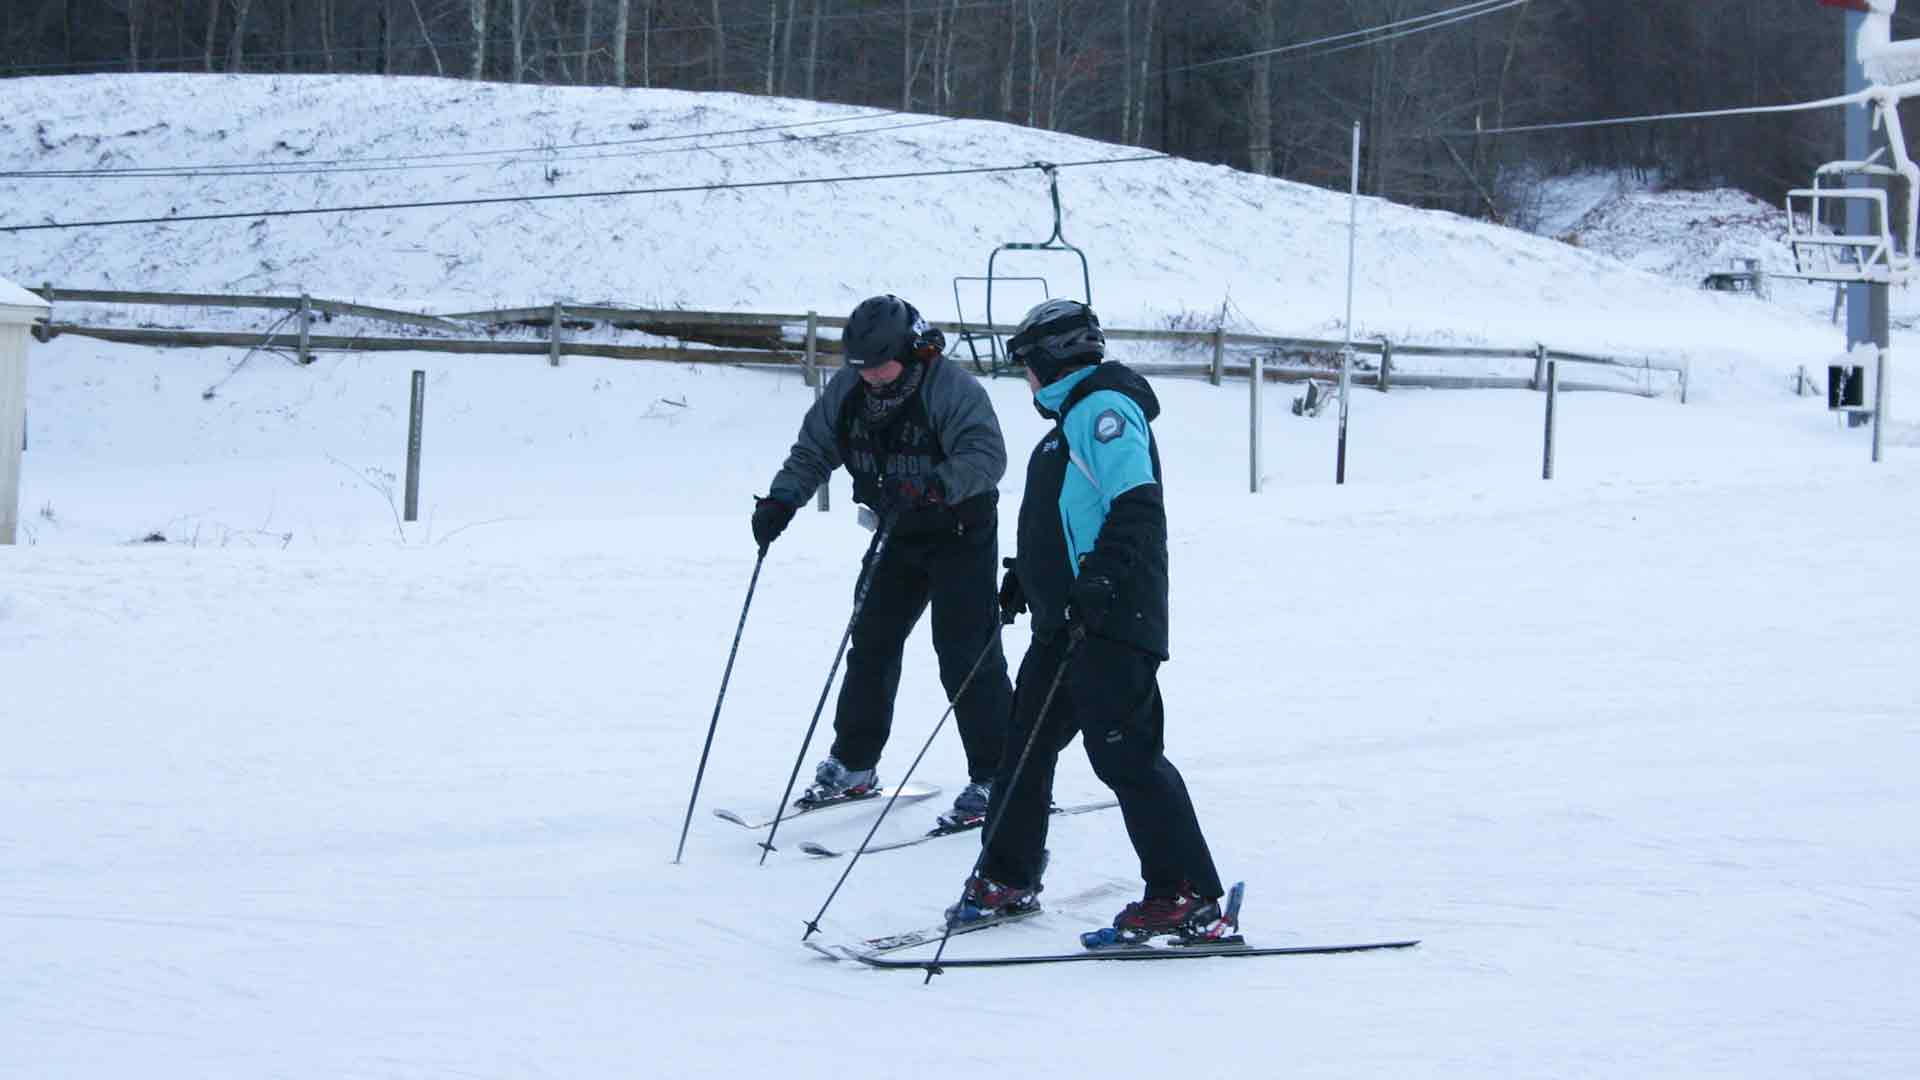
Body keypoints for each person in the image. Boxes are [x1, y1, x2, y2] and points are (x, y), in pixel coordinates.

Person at [947, 298, 1232, 944]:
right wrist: (1031, 574)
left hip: (1111, 618)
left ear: (1053, 358)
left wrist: (1100, 579)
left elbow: (1135, 504)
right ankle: (1008, 874)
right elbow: (1074, 514)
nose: (1025, 378)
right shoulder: (1069, 421)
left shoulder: (1104, 411)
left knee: (1125, 754)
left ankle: (1184, 891)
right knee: (1024, 746)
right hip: (1065, 622)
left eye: (1027, 364)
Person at [750, 294, 1014, 828]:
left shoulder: (951, 388)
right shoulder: (849, 390)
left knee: (964, 653)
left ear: (912, 351)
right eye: (860, 367)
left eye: (878, 365)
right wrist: (782, 499)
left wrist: (934, 485)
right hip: (895, 532)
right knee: (871, 641)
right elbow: (814, 450)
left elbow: (987, 457)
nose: (869, 376)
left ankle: (1001, 775)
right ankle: (854, 764)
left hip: (959, 530)